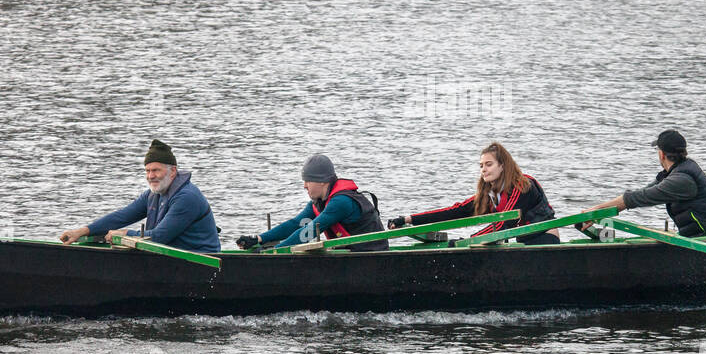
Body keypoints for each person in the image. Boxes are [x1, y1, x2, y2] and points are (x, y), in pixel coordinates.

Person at [60, 139, 221, 251]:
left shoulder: (187, 197)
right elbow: (121, 216)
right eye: (147, 171)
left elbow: (158, 237)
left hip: (199, 259)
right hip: (165, 258)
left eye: (156, 170)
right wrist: (82, 231)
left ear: (173, 171)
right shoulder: (153, 194)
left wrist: (125, 234)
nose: (151, 176)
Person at [388, 142, 560, 245]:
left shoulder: (523, 186)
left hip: (544, 241)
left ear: (503, 166)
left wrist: (468, 241)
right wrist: (407, 219)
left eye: (489, 164)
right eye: (481, 166)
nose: (484, 170)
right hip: (521, 243)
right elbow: (455, 212)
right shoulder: (491, 195)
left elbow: (505, 223)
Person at [583, 129, 706, 237]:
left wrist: (595, 211)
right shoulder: (678, 171)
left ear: (661, 154)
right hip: (702, 237)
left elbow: (638, 198)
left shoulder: (681, 180)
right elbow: (640, 194)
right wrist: (597, 212)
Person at [236, 154, 388, 251]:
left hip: (372, 255)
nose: (304, 186)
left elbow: (308, 232)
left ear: (322, 182)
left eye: (308, 181)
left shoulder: (341, 202)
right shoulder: (318, 203)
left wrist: (276, 251)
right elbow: (296, 224)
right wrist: (259, 239)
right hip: (350, 255)